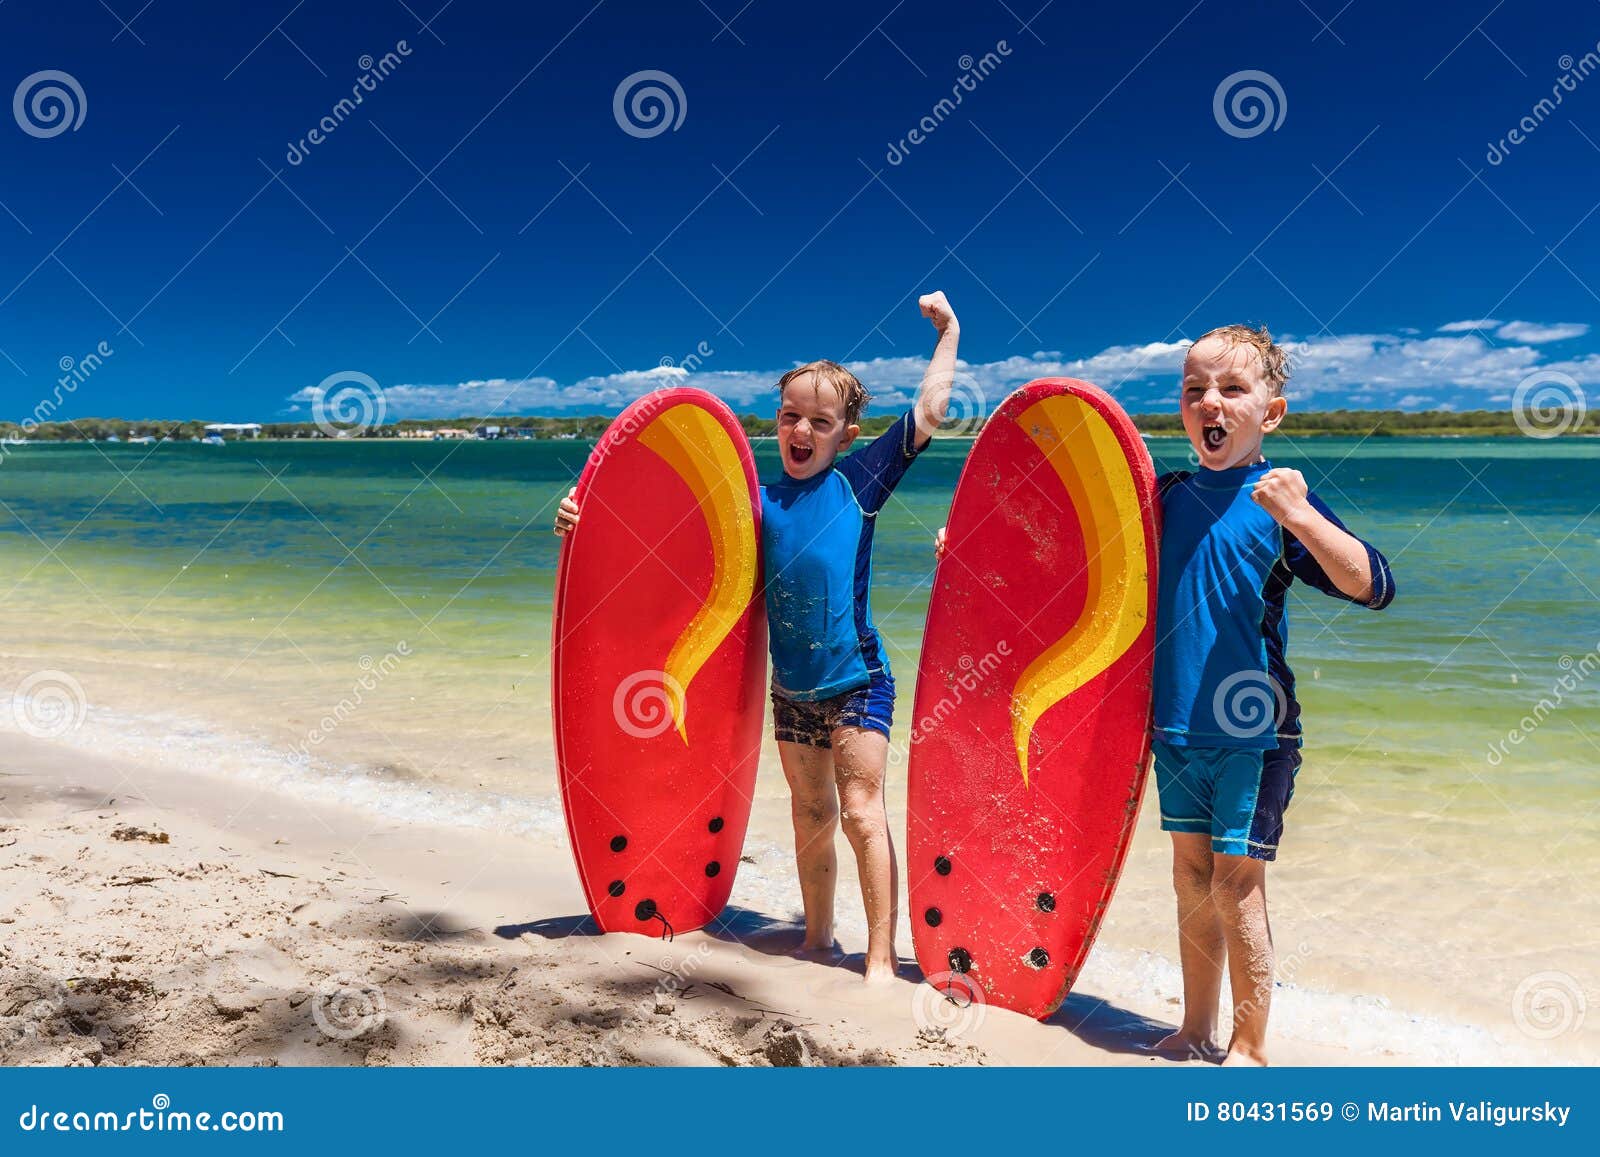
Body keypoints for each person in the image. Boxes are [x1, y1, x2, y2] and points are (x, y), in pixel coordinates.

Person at [557, 292, 960, 983]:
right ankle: (817, 939)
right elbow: (663, 538)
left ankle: (880, 959)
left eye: (820, 420)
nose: (801, 429)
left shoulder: (861, 484)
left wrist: (949, 332)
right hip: (790, 690)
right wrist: (583, 515)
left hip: (858, 679)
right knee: (810, 814)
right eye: (789, 416)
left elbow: (929, 411)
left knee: (861, 812)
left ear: (848, 434)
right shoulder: (754, 503)